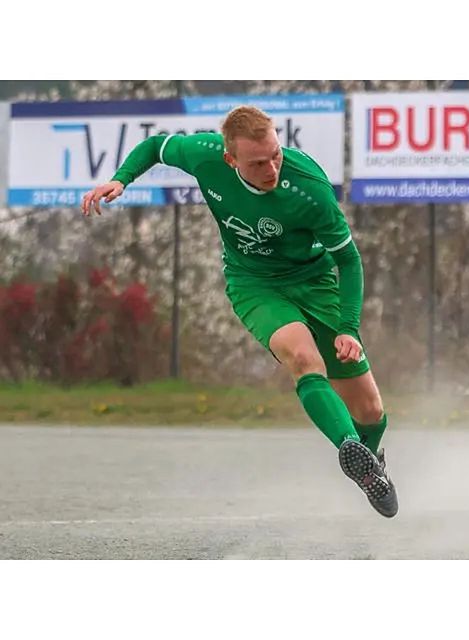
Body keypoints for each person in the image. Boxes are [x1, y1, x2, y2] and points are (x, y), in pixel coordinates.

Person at [81, 105, 398, 518]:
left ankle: (371, 468)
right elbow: (157, 146)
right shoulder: (205, 154)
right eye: (257, 162)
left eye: (275, 155)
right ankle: (349, 449)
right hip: (255, 284)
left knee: (371, 411)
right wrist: (120, 179)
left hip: (315, 283)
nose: (271, 168)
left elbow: (349, 261)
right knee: (303, 358)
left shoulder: (309, 187)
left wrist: (348, 328)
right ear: (230, 160)